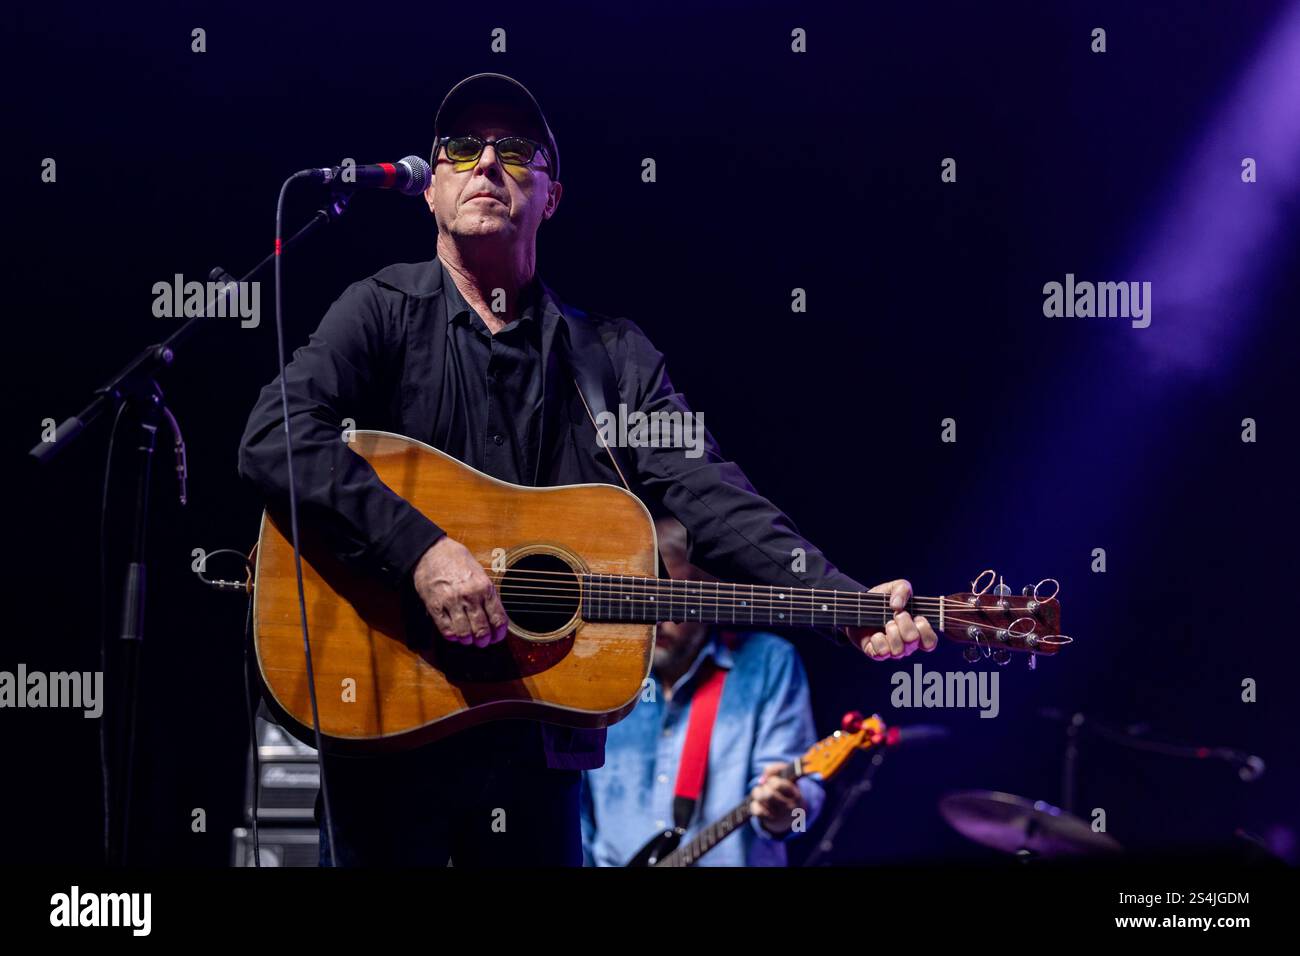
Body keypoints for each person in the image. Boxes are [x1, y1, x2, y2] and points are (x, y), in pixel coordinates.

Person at [238, 72, 938, 867]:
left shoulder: (611, 357)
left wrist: (839, 597)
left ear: (552, 197)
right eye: (463, 149)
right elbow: (275, 435)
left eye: (518, 151)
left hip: (537, 741)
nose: (488, 164)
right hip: (388, 722)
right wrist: (423, 550)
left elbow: (707, 489)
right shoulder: (379, 310)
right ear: (432, 189)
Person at [582, 518, 824, 867]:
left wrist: (783, 810)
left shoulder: (768, 662)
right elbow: (578, 816)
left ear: (708, 593)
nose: (655, 614)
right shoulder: (593, 672)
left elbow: (795, 800)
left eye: (671, 595)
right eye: (640, 594)